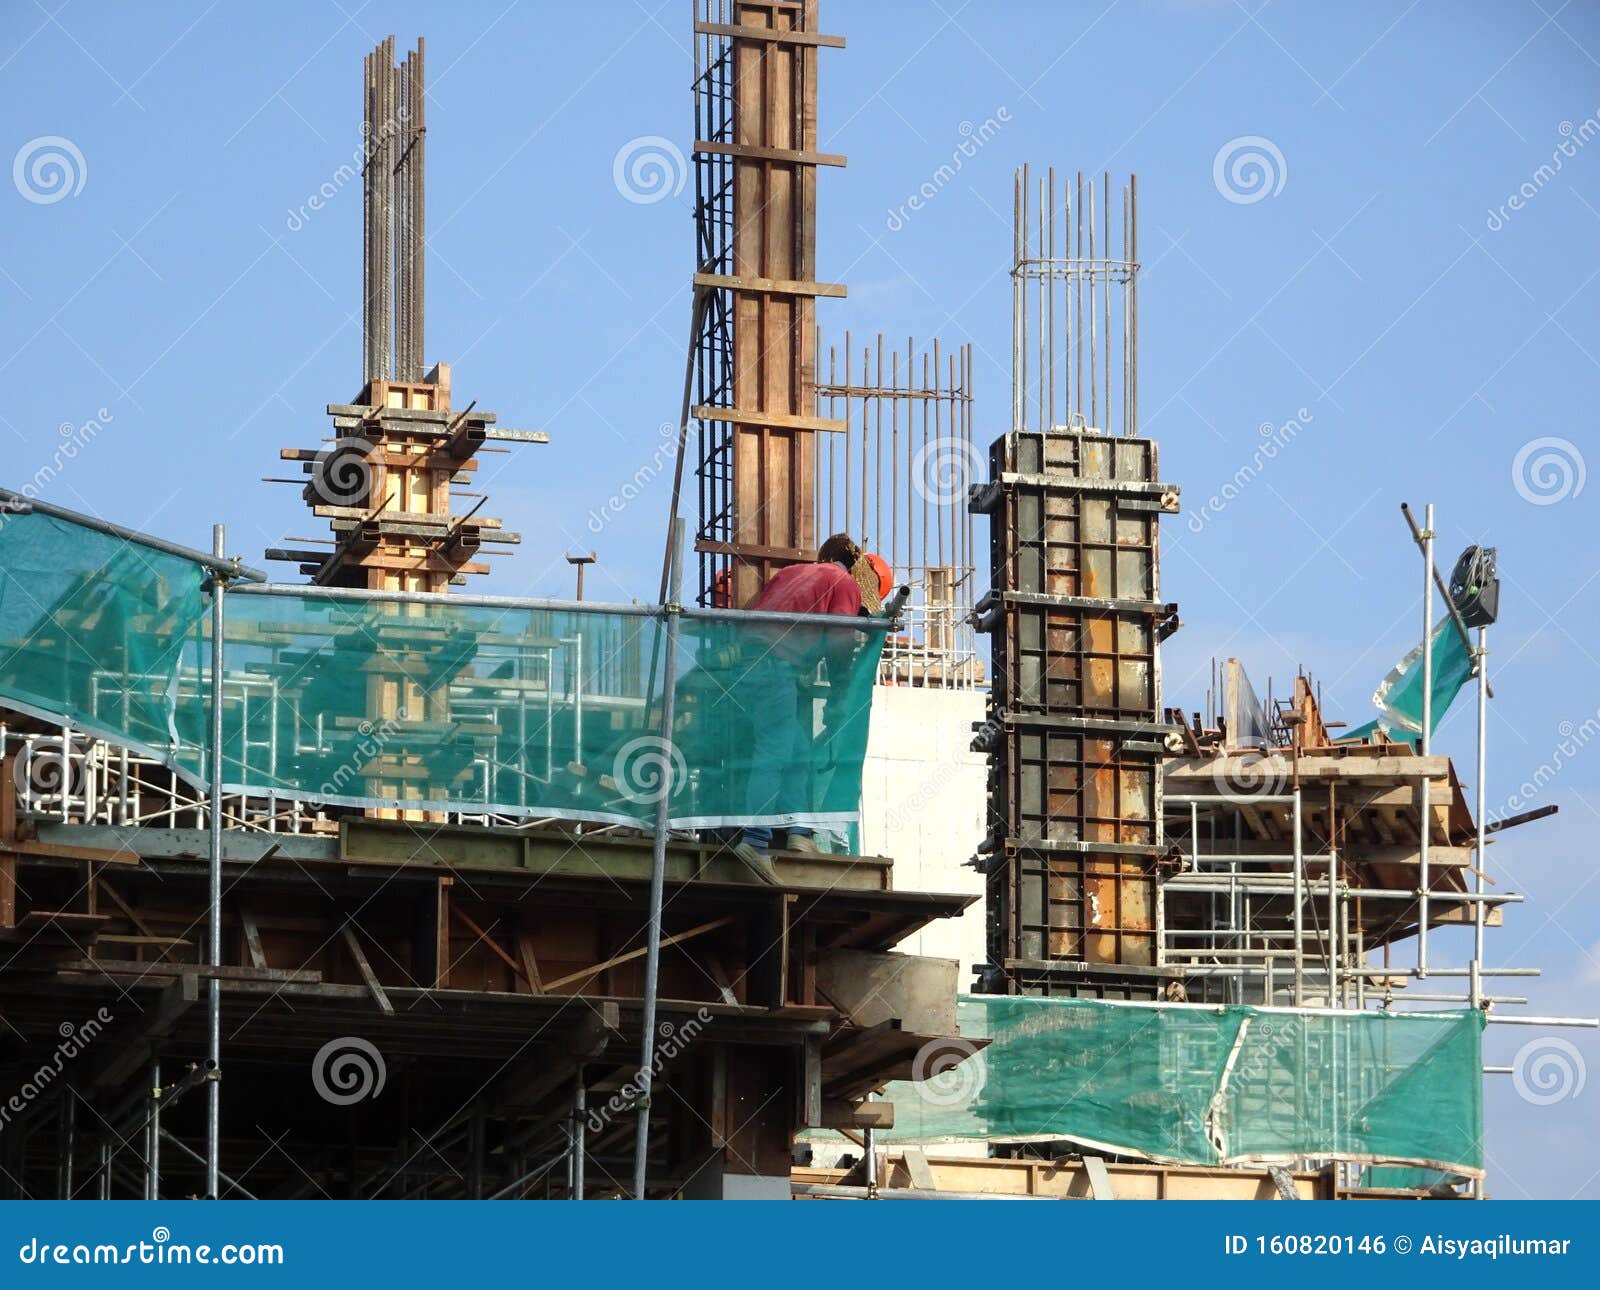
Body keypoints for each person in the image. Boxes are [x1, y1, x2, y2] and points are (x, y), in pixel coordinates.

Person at [731, 534, 882, 884]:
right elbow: (840, 641)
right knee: (775, 751)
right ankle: (754, 841)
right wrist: (839, 695)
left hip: (749, 666)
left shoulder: (794, 573)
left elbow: (764, 618)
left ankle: (799, 832)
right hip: (774, 668)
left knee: (798, 752)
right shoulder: (845, 584)